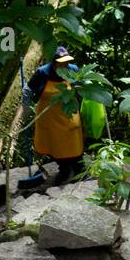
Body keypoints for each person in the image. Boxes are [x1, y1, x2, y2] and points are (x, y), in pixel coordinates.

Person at [24, 46, 84, 184]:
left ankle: (80, 169)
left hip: (69, 112)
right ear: (54, 62)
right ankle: (64, 169)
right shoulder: (43, 72)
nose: (65, 64)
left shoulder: (73, 69)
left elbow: (82, 86)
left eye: (66, 61)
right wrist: (25, 105)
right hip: (48, 115)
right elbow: (28, 89)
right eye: (62, 62)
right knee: (54, 145)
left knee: (74, 142)